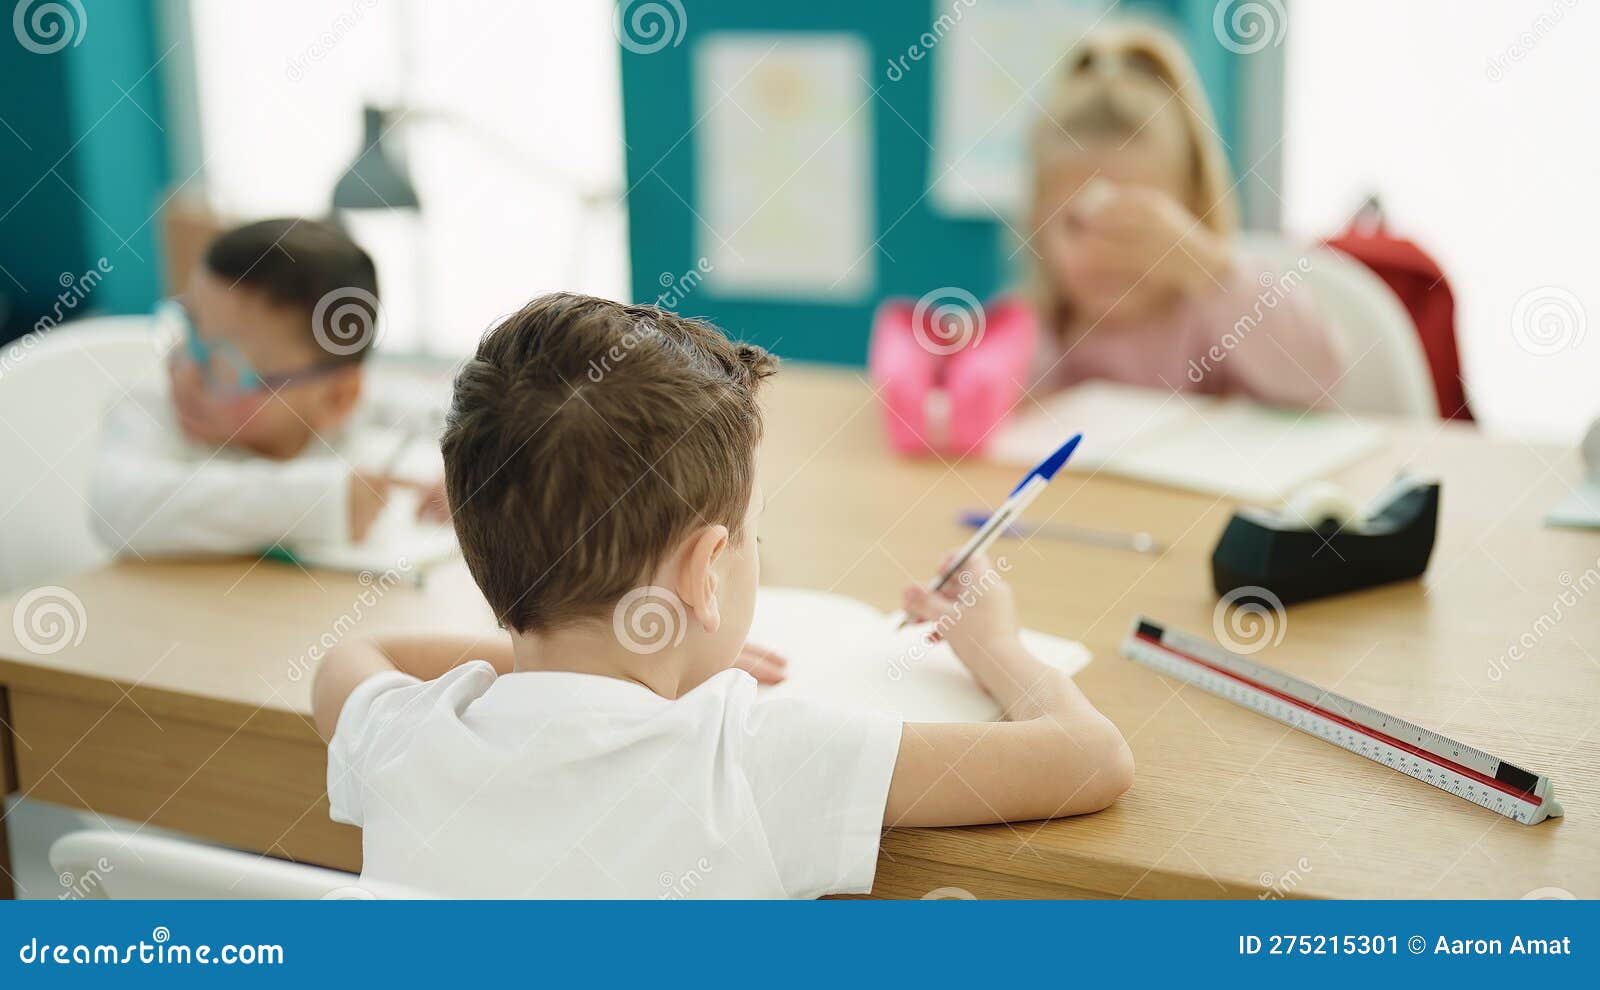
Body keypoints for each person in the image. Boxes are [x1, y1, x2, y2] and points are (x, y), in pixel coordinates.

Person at [312, 293, 1132, 899]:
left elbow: (350, 658)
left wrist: (616, 653)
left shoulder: (403, 738)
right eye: (750, 537)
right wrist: (993, 645)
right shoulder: (746, 756)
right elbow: (1089, 760)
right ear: (704, 572)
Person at [88, 218, 446, 557]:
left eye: (223, 365)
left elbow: (445, 410)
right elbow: (117, 506)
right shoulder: (150, 410)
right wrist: (323, 502)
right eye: (185, 329)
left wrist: (463, 472)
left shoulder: (353, 409)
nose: (186, 372)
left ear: (336, 397)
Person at [1027, 23, 1343, 406]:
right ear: (1038, 226)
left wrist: (1212, 269)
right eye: (1077, 224)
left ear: (1192, 212)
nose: (1110, 250)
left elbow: (1319, 378)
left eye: (1138, 224)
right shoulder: (1042, 331)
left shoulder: (1212, 316)